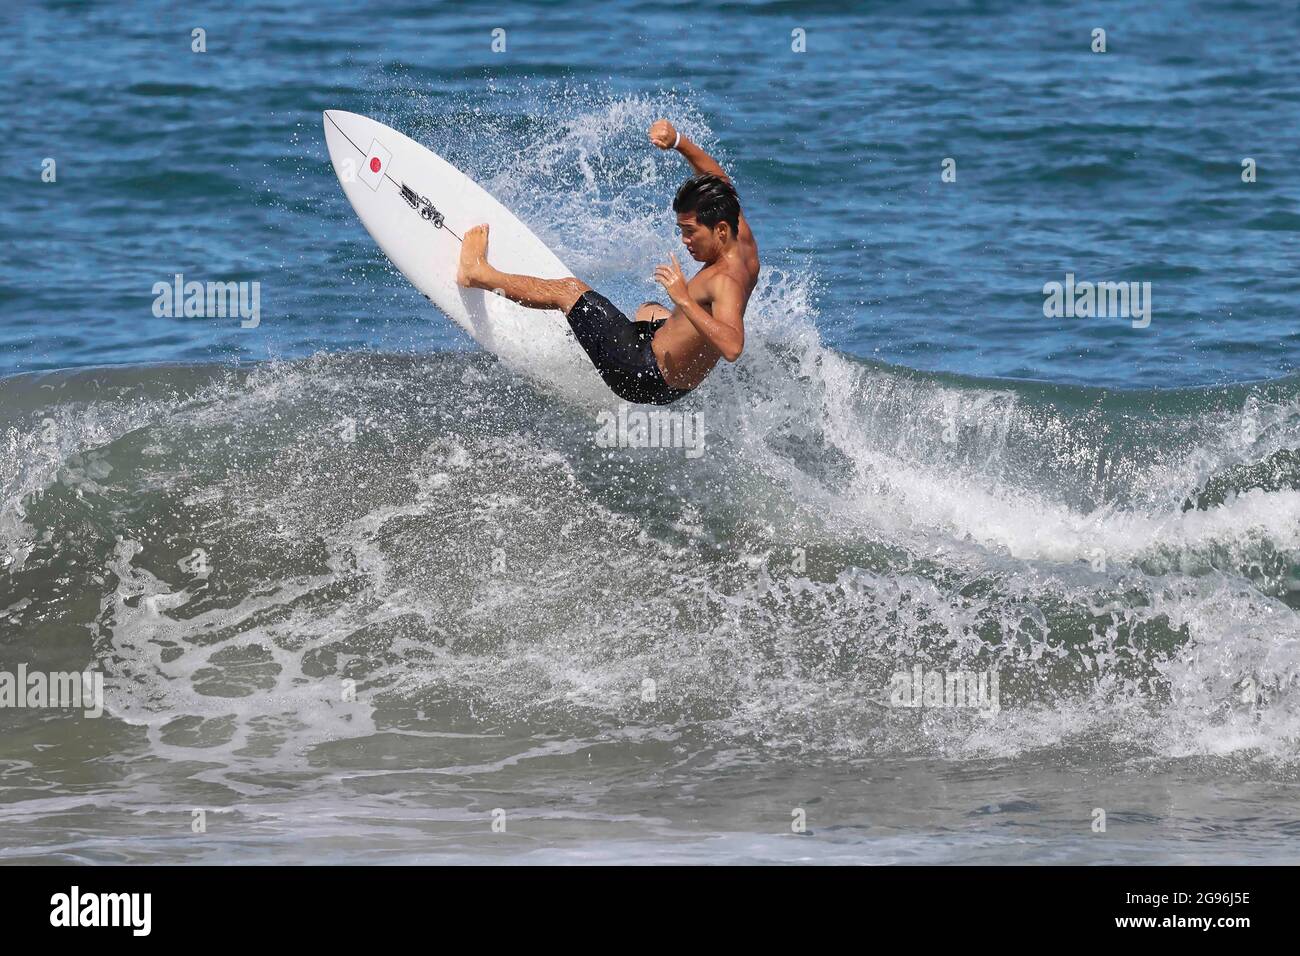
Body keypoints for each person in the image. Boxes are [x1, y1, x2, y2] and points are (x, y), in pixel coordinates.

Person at [455, 118, 760, 404]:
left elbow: (732, 346)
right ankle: (594, 330)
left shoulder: (725, 282)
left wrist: (685, 299)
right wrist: (679, 141)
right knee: (649, 309)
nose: (684, 240)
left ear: (719, 229)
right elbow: (718, 180)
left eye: (691, 232)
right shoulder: (740, 239)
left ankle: (478, 274)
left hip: (641, 376)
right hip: (677, 384)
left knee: (568, 290)